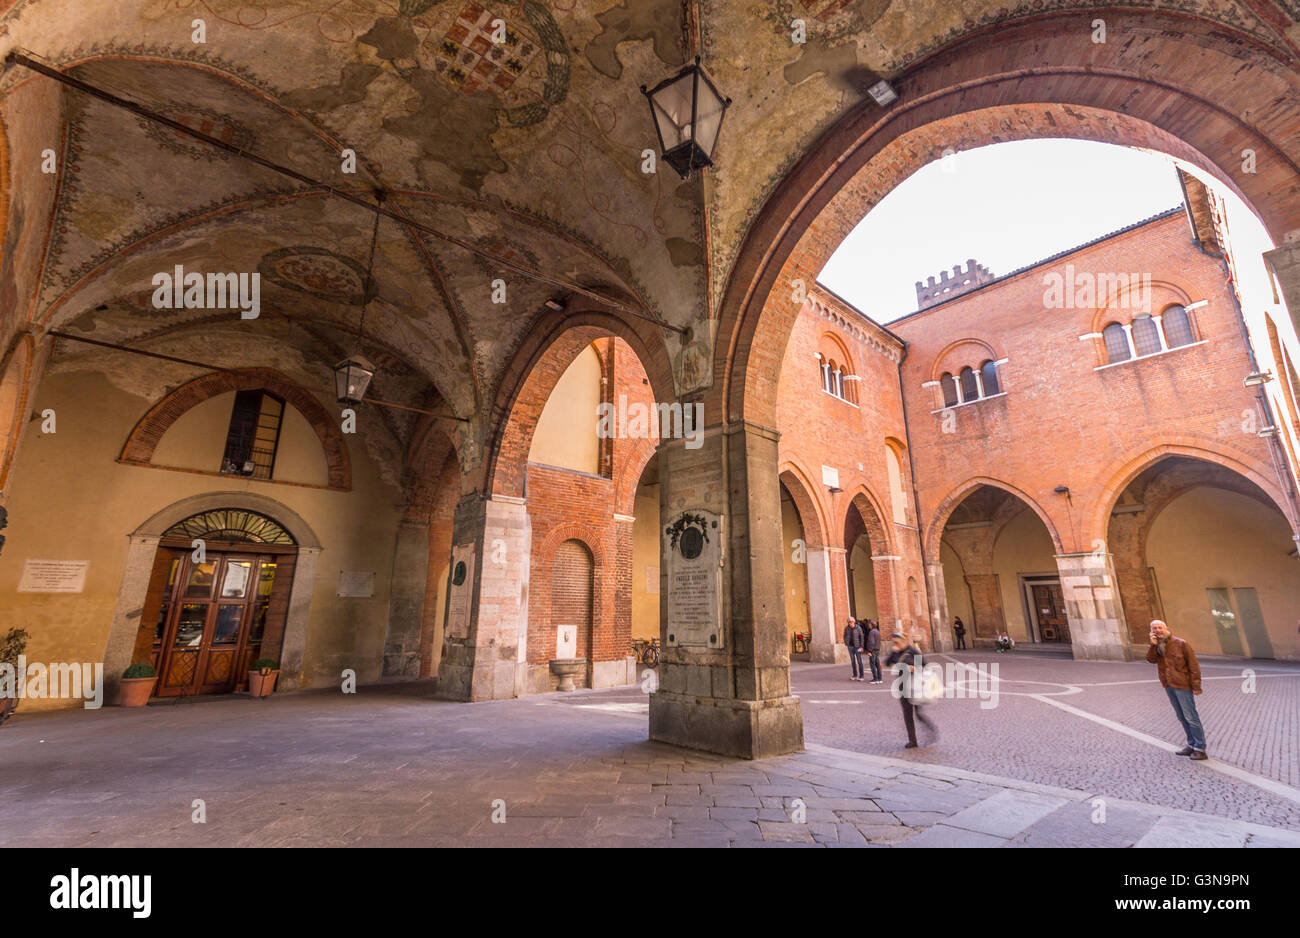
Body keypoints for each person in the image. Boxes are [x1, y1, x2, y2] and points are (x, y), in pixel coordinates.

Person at [1147, 619, 1207, 760]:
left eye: (1160, 627)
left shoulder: (1181, 643)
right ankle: (1191, 744)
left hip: (1183, 685)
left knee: (1191, 717)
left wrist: (1196, 686)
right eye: (1154, 628)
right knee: (1181, 716)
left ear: (1166, 628)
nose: (1157, 630)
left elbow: (1194, 666)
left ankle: (1200, 748)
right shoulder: (1157, 645)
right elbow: (1151, 660)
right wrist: (1152, 645)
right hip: (1169, 685)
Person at [884, 632, 937, 748]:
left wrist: (914, 668)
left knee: (917, 713)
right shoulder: (896, 652)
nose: (896, 644)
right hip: (903, 687)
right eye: (894, 643)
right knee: (907, 714)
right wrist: (893, 653)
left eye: (897, 642)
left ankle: (932, 730)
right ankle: (912, 741)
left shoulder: (913, 651)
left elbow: (925, 666)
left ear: (904, 641)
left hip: (916, 686)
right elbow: (887, 663)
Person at [843, 616, 865, 681]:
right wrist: (846, 643)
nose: (851, 623)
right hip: (850, 647)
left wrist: (862, 646)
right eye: (849, 622)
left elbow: (861, 637)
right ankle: (855, 675)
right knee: (853, 661)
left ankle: (861, 676)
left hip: (857, 647)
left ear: (854, 622)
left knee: (859, 661)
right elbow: (845, 636)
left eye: (852, 622)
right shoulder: (847, 628)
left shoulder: (858, 628)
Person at [865, 619, 882, 684]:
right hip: (877, 649)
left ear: (871, 625)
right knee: (877, 664)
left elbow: (871, 642)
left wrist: (869, 651)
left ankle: (875, 679)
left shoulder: (872, 632)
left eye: (869, 624)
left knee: (872, 664)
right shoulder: (878, 631)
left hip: (873, 650)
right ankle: (880, 678)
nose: (869, 625)